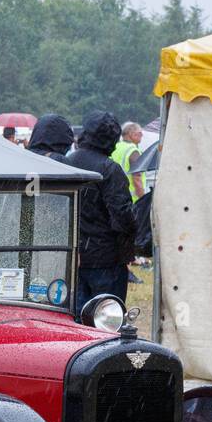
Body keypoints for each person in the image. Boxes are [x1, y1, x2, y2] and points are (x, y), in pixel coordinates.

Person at [66, 111, 138, 313]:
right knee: (107, 318)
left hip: (73, 254)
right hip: (106, 257)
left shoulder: (67, 162)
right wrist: (135, 230)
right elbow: (122, 216)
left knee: (76, 317)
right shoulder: (109, 169)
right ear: (112, 139)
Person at [111, 121, 146, 202]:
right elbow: (137, 178)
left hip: (115, 196)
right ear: (131, 134)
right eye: (140, 133)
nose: (142, 135)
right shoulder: (133, 151)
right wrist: (143, 200)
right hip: (132, 200)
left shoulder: (115, 147)